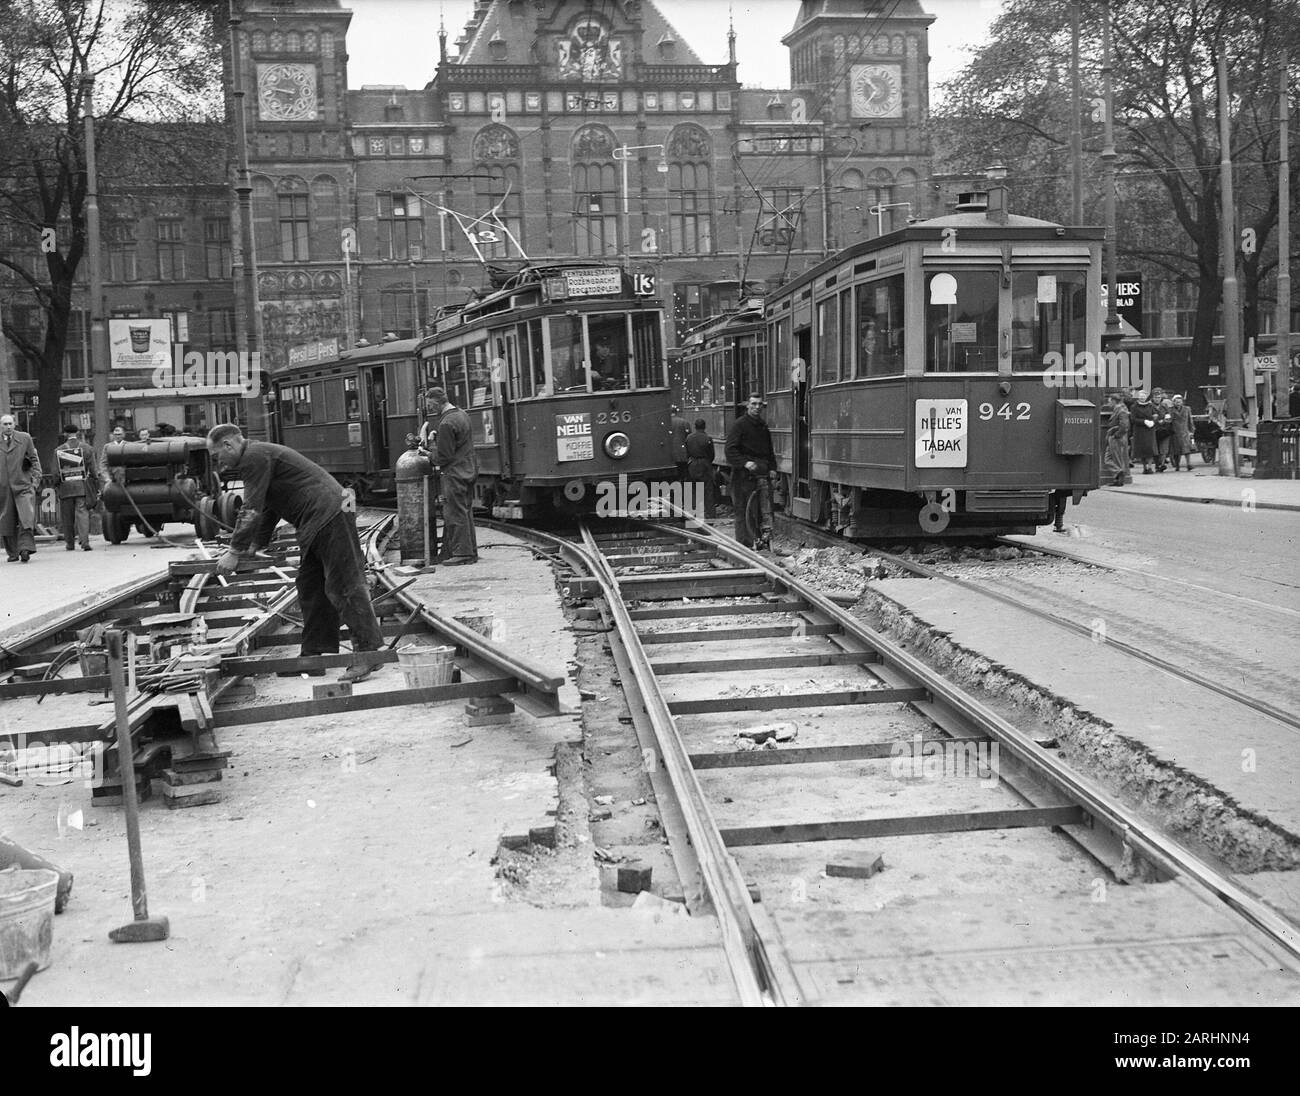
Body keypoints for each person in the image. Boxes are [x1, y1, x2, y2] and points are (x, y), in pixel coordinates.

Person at [206, 424, 383, 683]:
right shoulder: (259, 454)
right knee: (311, 587)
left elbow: (251, 508)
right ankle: (314, 656)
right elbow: (268, 506)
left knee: (343, 583)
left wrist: (234, 551)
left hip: (329, 512)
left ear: (229, 445)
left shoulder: (253, 457)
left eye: (216, 456)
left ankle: (368, 654)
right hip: (325, 514)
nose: (218, 463)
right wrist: (256, 544)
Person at [422, 387, 478, 565]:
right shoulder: (462, 414)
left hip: (454, 473)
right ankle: (469, 552)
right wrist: (437, 437)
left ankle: (462, 554)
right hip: (468, 469)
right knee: (465, 510)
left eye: (430, 405)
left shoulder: (446, 423)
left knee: (454, 512)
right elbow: (458, 441)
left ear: (437, 402)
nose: (430, 409)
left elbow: (443, 456)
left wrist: (428, 453)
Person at [724, 394, 775, 548]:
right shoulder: (739, 425)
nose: (757, 407)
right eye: (754, 404)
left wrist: (773, 468)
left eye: (760, 404)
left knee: (762, 511)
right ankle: (744, 545)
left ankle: (761, 542)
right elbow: (730, 450)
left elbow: (769, 450)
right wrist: (745, 463)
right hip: (743, 476)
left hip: (761, 474)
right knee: (743, 510)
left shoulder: (763, 426)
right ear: (748, 406)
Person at [0, 414, 41, 562]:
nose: (8, 427)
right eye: (5, 424)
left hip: (23, 485)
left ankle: (25, 548)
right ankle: (12, 553)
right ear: (1, 426)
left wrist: (35, 481)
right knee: (6, 521)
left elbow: (35, 459)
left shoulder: (25, 438)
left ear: (14, 424)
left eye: (10, 423)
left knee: (26, 518)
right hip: (3, 488)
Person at [54, 424, 97, 551]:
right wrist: (95, 481)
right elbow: (93, 469)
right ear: (77, 433)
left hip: (66, 487)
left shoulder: (58, 450)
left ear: (65, 434)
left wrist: (57, 484)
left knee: (67, 516)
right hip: (82, 486)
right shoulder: (87, 448)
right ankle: (84, 541)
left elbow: (55, 472)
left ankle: (70, 543)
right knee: (82, 513)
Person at [685, 418, 717, 518]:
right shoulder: (708, 438)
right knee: (708, 491)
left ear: (695, 426)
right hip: (705, 465)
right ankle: (710, 515)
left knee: (693, 490)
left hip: (693, 465)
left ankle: (693, 514)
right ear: (704, 426)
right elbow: (712, 455)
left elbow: (687, 452)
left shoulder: (689, 438)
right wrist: (707, 462)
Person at [1103, 393, 1130, 486]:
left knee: (1116, 458)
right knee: (1108, 459)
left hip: (1117, 438)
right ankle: (1118, 473)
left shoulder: (1121, 410)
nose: (1109, 403)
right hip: (1114, 437)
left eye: (1110, 401)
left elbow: (1124, 426)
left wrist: (1116, 435)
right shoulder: (1118, 409)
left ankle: (1118, 478)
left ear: (1114, 401)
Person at [1130, 390, 1158, 473]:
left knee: (1150, 449)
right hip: (1139, 430)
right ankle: (1144, 467)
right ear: (1138, 397)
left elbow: (1156, 415)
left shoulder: (1151, 406)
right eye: (1141, 396)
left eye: (1144, 396)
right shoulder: (1134, 406)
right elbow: (1133, 419)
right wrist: (1144, 422)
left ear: (1146, 397)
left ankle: (1149, 467)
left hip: (1150, 430)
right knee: (1142, 450)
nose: (1142, 397)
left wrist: (1153, 421)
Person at [1168, 394, 1195, 470]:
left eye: (1179, 401)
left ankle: (1189, 464)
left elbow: (1190, 420)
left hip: (1185, 431)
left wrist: (1192, 430)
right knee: (1176, 451)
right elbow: (1168, 420)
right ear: (1173, 402)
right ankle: (1177, 466)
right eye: (1176, 402)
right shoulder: (1170, 410)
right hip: (1175, 432)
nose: (1178, 403)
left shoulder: (1187, 409)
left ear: (1182, 402)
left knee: (1187, 449)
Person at [98, 424, 127, 492]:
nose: (117, 436)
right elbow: (103, 464)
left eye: (119, 434)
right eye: (115, 434)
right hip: (113, 479)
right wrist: (107, 478)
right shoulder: (107, 447)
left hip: (127, 479)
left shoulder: (130, 445)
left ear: (124, 434)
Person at [1154, 397, 1176, 471]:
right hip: (1154, 429)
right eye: (1155, 397)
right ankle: (1157, 465)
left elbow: (1168, 417)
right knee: (1155, 449)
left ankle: (1162, 464)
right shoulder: (1150, 406)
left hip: (1164, 430)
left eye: (1158, 397)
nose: (1157, 399)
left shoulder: (1164, 407)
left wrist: (1164, 421)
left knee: (1164, 449)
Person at [670, 407, 690, 480]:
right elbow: (689, 437)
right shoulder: (684, 422)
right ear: (676, 412)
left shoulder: (666, 422)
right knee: (682, 473)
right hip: (682, 453)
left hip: (669, 455)